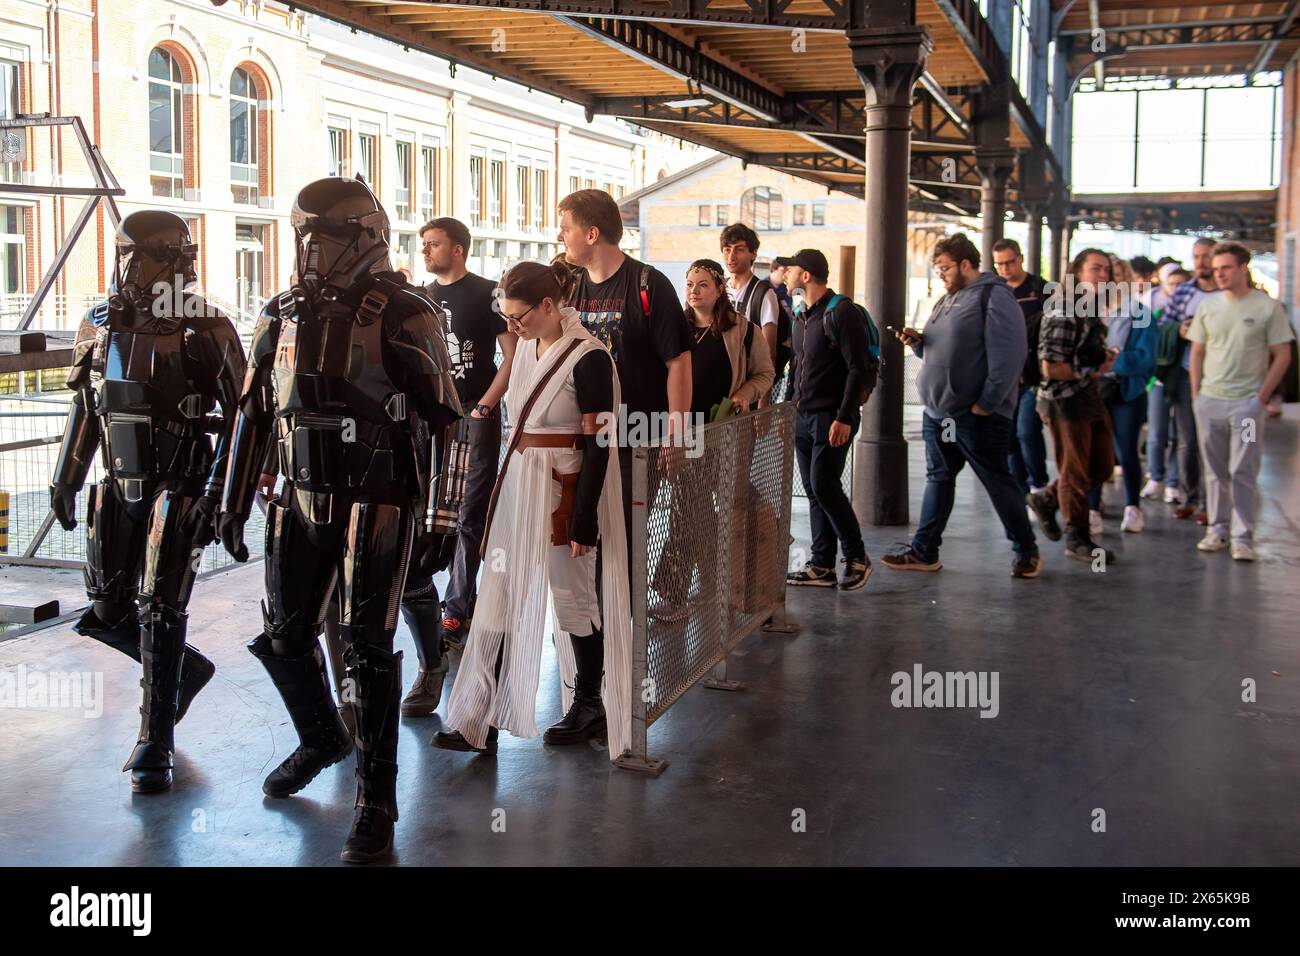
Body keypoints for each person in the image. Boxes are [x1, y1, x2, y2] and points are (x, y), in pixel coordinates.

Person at [216, 176, 461, 864]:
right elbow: (253, 415)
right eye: (305, 238)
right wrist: (231, 500)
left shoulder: (407, 312)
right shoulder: (280, 313)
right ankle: (323, 737)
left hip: (378, 493)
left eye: (324, 238)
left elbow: (450, 420)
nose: (310, 251)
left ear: (364, 238)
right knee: (286, 636)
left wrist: (442, 516)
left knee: (365, 645)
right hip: (297, 496)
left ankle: (375, 800)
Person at [49, 211, 243, 793]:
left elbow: (243, 417)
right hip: (115, 482)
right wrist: (67, 474)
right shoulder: (99, 319)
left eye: (146, 255)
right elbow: (88, 403)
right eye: (125, 252)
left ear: (176, 259)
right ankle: (186, 670)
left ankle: (154, 739)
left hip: (179, 481)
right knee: (106, 607)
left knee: (161, 609)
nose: (132, 265)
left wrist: (221, 494)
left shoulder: (205, 325)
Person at [435, 260, 630, 759]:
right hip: (522, 480)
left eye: (519, 316)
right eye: (507, 317)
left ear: (548, 305)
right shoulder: (524, 345)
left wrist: (584, 516)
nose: (512, 326)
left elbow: (601, 443)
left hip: (564, 489)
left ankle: (590, 703)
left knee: (573, 596)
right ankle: (480, 716)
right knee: (499, 593)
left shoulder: (589, 357)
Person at [558, 188, 691, 740]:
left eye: (565, 227)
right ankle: (590, 685)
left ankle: (620, 682)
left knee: (624, 556)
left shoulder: (646, 285)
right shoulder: (567, 287)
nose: (560, 236)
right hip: (584, 444)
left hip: (635, 440)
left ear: (593, 233)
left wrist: (678, 433)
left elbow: (677, 361)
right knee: (580, 555)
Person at [885, 233, 1041, 578]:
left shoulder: (994, 297)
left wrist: (986, 404)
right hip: (939, 412)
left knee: (997, 481)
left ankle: (1026, 550)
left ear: (966, 264)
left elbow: (1011, 357)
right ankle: (924, 552)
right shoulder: (948, 299)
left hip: (976, 416)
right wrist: (918, 343)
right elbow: (938, 350)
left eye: (944, 268)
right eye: (937, 269)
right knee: (939, 478)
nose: (940, 275)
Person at [650, 259, 776, 620]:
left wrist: (744, 396)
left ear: (720, 290)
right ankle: (679, 593)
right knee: (688, 508)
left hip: (724, 431)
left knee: (723, 504)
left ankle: (739, 579)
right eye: (689, 284)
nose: (693, 291)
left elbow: (764, 373)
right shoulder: (676, 327)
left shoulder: (743, 330)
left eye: (703, 284)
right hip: (683, 432)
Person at [420, 217, 517, 666]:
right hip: (433, 420)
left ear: (457, 249)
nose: (425, 251)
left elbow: (513, 356)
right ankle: (431, 596)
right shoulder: (421, 296)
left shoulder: (488, 292)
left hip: (476, 414)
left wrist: (484, 406)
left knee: (471, 510)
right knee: (430, 509)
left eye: (433, 244)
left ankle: (457, 607)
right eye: (423, 244)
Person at [1189, 242, 1294, 561]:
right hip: (1210, 402)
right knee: (1214, 471)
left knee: (1243, 470)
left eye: (1226, 268)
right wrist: (1197, 396)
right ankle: (1217, 530)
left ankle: (1242, 536)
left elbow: (1283, 355)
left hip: (1246, 407)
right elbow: (1196, 352)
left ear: (1242, 268)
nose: (1219, 273)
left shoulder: (1266, 307)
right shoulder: (1208, 306)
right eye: (1216, 268)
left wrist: (1260, 399)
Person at [779, 248, 874, 590]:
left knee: (824, 485)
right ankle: (822, 565)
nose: (786, 275)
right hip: (803, 417)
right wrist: (789, 406)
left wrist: (845, 417)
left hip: (832, 418)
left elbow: (857, 368)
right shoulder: (802, 315)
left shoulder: (842, 313)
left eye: (790, 270)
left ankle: (857, 556)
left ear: (806, 276)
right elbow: (796, 367)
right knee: (815, 490)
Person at [1026, 248, 1118, 565]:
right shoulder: (1064, 309)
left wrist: (1100, 362)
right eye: (1096, 269)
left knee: (1102, 466)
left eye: (1106, 270)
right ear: (1077, 273)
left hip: (1086, 394)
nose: (1103, 276)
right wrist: (1091, 369)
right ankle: (1077, 537)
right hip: (1063, 400)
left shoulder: (1090, 309)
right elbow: (1051, 367)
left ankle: (1047, 498)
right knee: (1075, 472)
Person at [1087, 256, 1157, 534]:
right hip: (1093, 392)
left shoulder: (1140, 313)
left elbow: (1147, 358)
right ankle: (1092, 508)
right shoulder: (1091, 311)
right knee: (1093, 451)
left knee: (1126, 449)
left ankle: (1133, 507)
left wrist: (1110, 361)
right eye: (1106, 274)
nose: (1111, 279)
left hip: (1126, 392)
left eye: (1116, 274)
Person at [1164, 238, 1222, 521]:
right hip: (1188, 374)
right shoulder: (1184, 292)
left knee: (1214, 442)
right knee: (1187, 440)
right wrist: (1180, 328)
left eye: (1206, 256)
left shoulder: (1227, 293)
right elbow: (1164, 325)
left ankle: (1213, 503)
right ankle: (1191, 497)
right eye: (1196, 256)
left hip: (1223, 377)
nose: (1200, 262)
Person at [991, 237, 1050, 498]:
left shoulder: (1042, 289)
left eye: (1009, 263)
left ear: (1020, 259)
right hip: (1005, 378)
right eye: (999, 265)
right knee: (1010, 437)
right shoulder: (994, 291)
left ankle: (1039, 485)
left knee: (1028, 431)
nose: (1004, 269)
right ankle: (1020, 490)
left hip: (1033, 375)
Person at [721, 223, 786, 384]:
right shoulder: (720, 290)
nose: (731, 256)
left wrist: (762, 403)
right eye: (727, 249)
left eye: (739, 249)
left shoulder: (764, 294)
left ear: (753, 254)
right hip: (721, 379)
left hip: (748, 386)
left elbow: (768, 353)